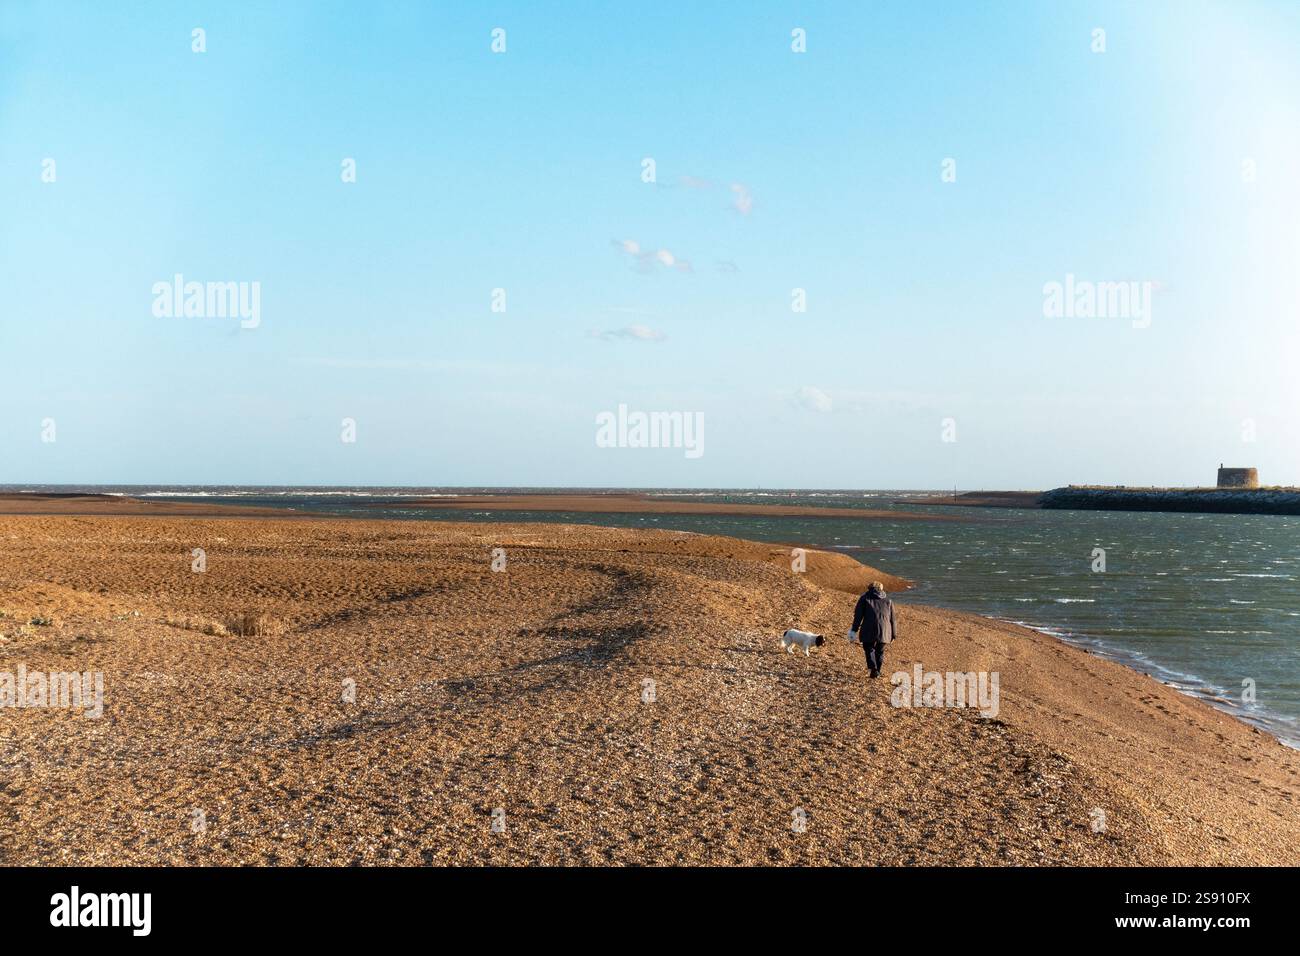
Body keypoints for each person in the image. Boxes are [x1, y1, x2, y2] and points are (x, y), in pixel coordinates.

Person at [850, 581, 897, 679]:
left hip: (868, 628)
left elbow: (858, 616)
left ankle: (874, 669)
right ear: (881, 589)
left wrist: (854, 629)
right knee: (880, 650)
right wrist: (893, 634)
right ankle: (877, 671)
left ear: (870, 588)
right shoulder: (888, 600)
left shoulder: (864, 598)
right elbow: (893, 619)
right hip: (885, 630)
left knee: (868, 648)